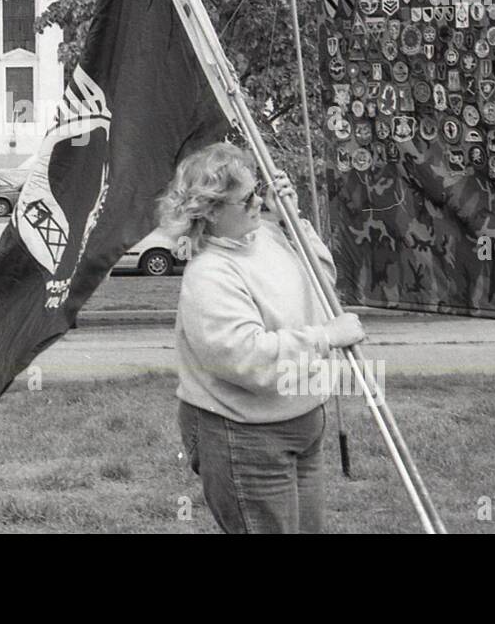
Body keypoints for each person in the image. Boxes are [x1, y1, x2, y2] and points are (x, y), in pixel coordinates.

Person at [156, 142, 366, 534]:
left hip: (302, 421)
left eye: (257, 192)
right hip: (245, 436)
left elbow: (323, 283)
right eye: (247, 199)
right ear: (212, 212)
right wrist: (326, 338)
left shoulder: (266, 236)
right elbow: (248, 360)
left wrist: (292, 220)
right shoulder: (210, 274)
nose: (259, 202)